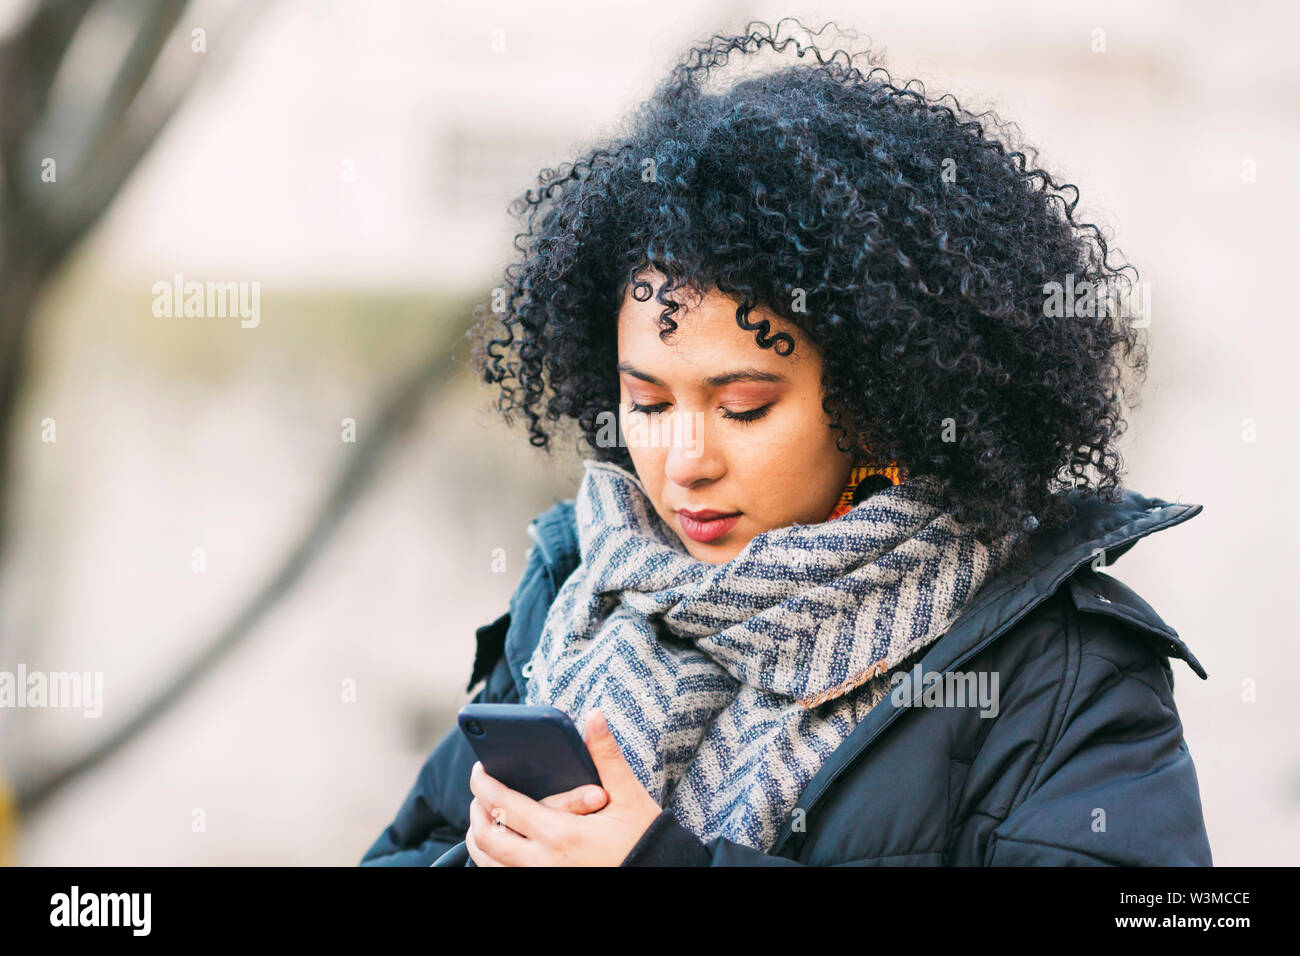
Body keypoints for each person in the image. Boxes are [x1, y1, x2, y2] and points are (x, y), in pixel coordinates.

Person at [359, 20, 1212, 866]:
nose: (684, 461)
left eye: (743, 408)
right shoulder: (580, 591)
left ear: (878, 400)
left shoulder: (1064, 673)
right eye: (647, 404)